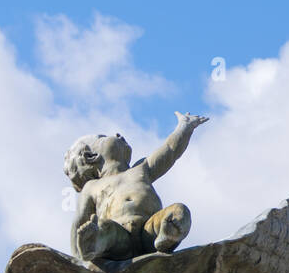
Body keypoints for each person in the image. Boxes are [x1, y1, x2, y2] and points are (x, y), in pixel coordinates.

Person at [63, 112, 208, 262]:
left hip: (149, 229)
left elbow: (171, 150)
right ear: (90, 156)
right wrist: (76, 261)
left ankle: (168, 235)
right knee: (102, 226)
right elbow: (79, 221)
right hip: (119, 234)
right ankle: (92, 245)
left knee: (179, 210)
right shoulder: (92, 187)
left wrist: (185, 127)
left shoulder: (141, 168)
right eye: (103, 138)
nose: (118, 135)